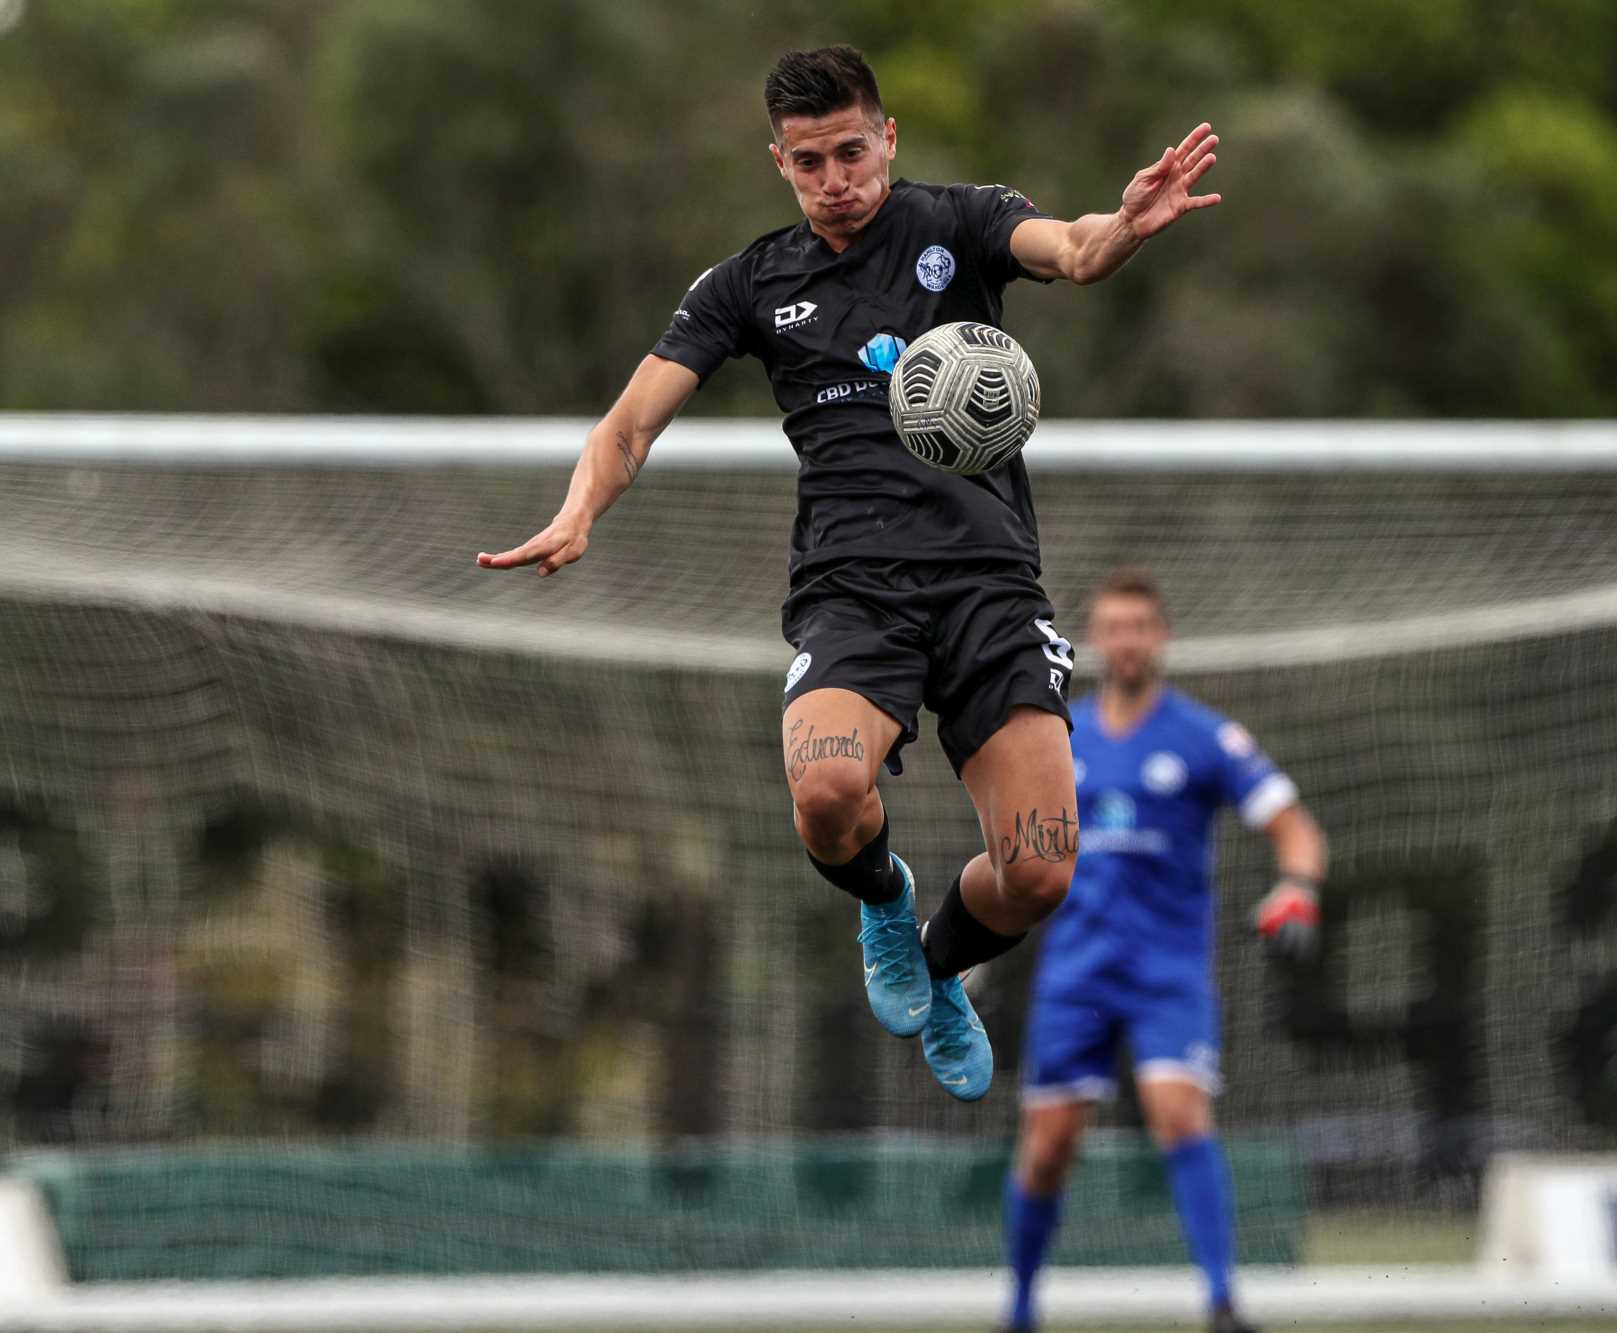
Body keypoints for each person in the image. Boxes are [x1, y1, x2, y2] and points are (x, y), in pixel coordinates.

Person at [478, 46, 1223, 1101]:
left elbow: (1067, 248)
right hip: (852, 589)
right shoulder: (748, 282)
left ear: (887, 138)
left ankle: (936, 960)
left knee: (1042, 869)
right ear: (779, 163)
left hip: (987, 587)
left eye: (850, 151)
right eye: (809, 161)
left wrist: (1118, 228)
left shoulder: (958, 224)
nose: (835, 177)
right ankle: (883, 899)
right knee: (828, 789)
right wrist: (576, 509)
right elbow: (630, 423)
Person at [1001, 569, 1327, 1332]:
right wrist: (977, 942)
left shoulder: (1205, 736)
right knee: (1047, 1148)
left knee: (1179, 1112)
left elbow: (1296, 827)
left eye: (1140, 626)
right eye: (1113, 627)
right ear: (1094, 639)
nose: (1127, 640)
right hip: (1075, 971)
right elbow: (1008, 848)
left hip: (1166, 970)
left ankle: (1221, 1301)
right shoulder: (1058, 734)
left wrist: (1297, 887)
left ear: (1162, 636)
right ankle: (1016, 1310)